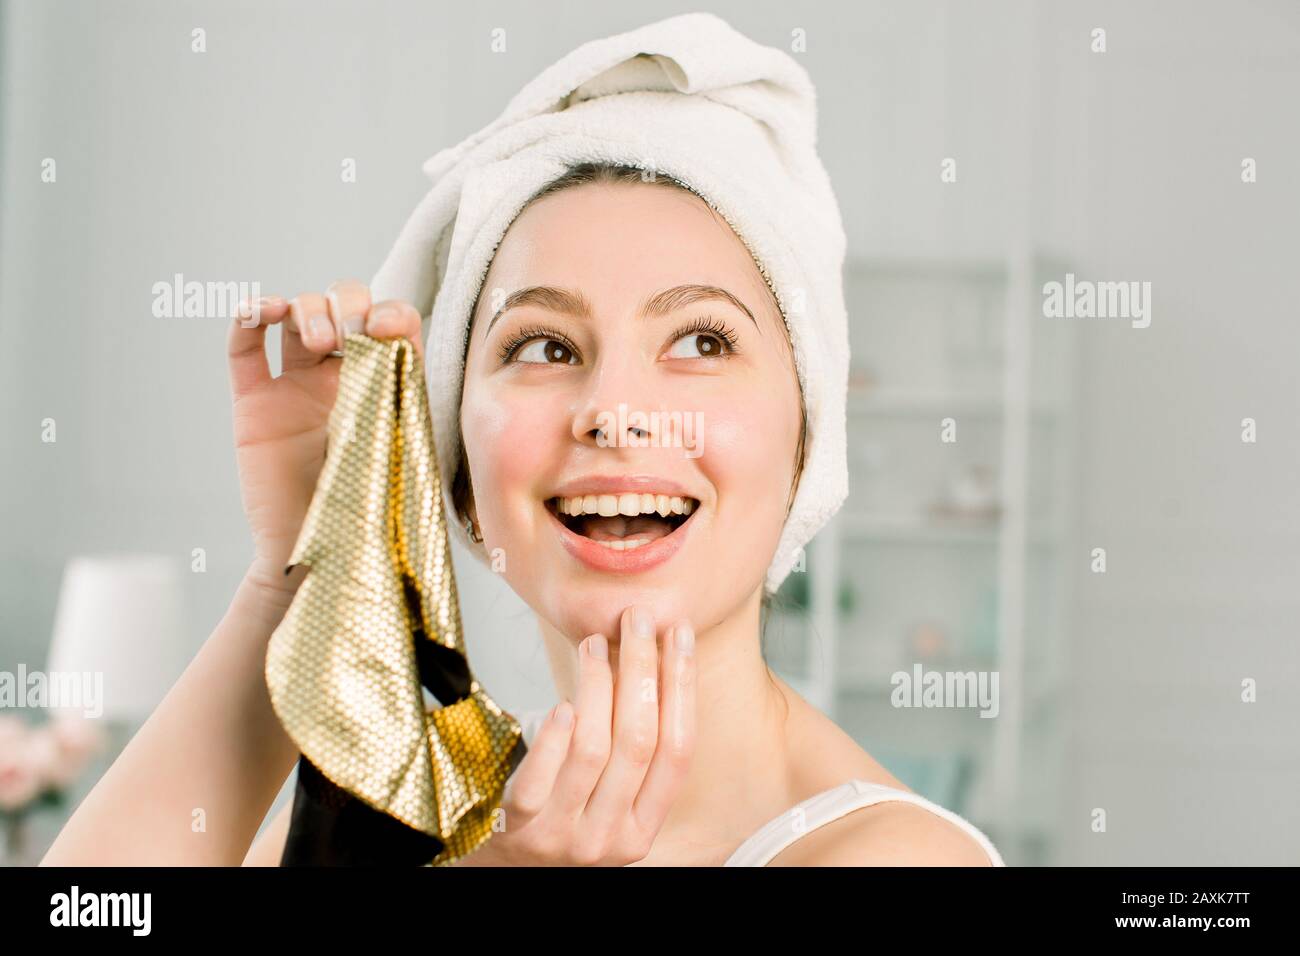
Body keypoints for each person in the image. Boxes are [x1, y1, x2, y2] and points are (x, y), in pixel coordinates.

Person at [42, 162, 1003, 867]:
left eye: (702, 340)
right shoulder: (440, 809)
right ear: (458, 474)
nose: (615, 412)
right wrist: (305, 574)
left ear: (805, 446)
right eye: (543, 347)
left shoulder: (897, 858)